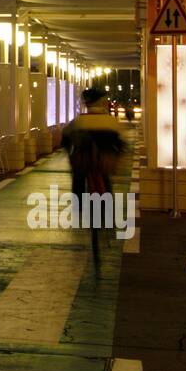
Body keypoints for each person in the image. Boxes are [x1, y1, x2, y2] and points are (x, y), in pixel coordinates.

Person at [61, 87, 125, 274]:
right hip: (104, 163)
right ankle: (109, 215)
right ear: (102, 102)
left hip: (83, 163)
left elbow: (65, 141)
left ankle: (79, 202)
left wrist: (70, 152)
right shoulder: (111, 122)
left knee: (79, 177)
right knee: (106, 181)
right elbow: (119, 144)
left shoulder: (78, 121)